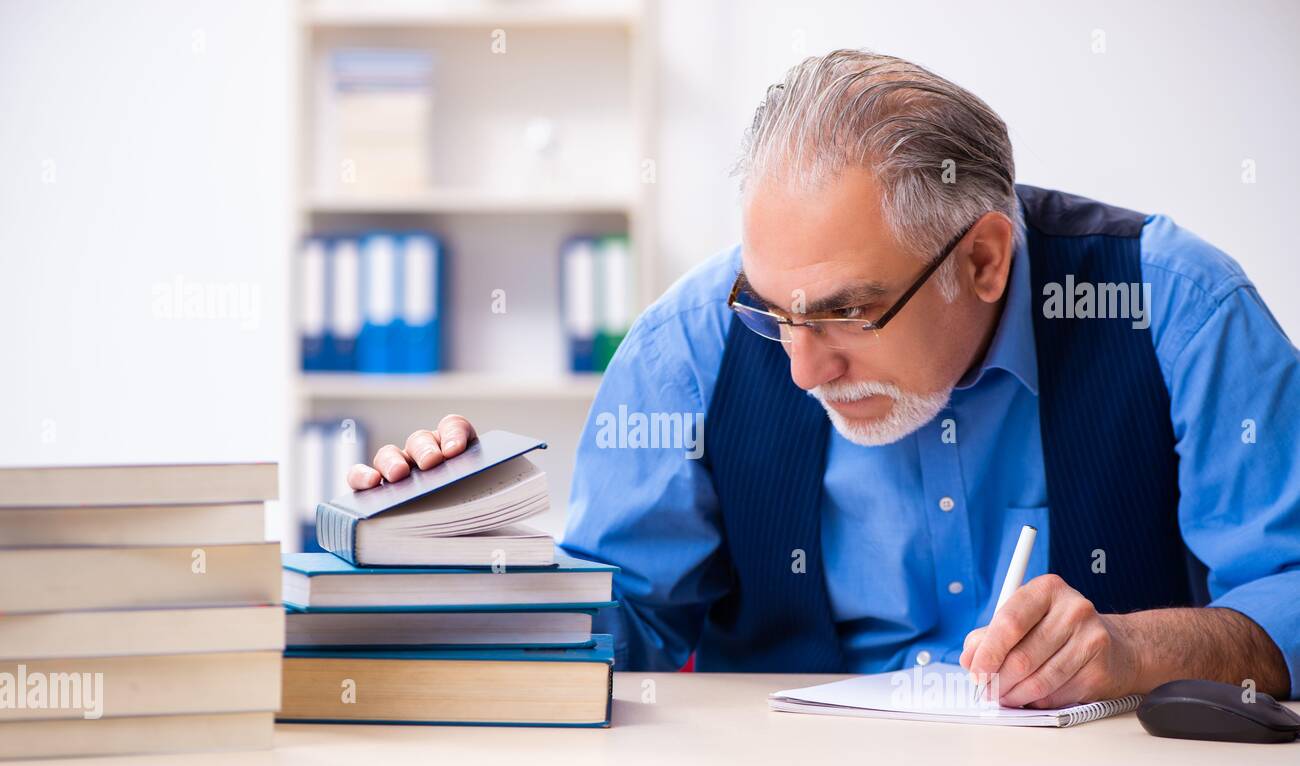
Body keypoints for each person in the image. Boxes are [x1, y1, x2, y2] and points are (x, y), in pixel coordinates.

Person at [348, 50, 1300, 708]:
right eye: (774, 310)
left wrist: (1135, 652)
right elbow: (624, 622)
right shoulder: (692, 344)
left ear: (986, 262)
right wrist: (465, 564)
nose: (802, 367)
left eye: (848, 311)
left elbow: (1289, 593)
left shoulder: (1177, 307)